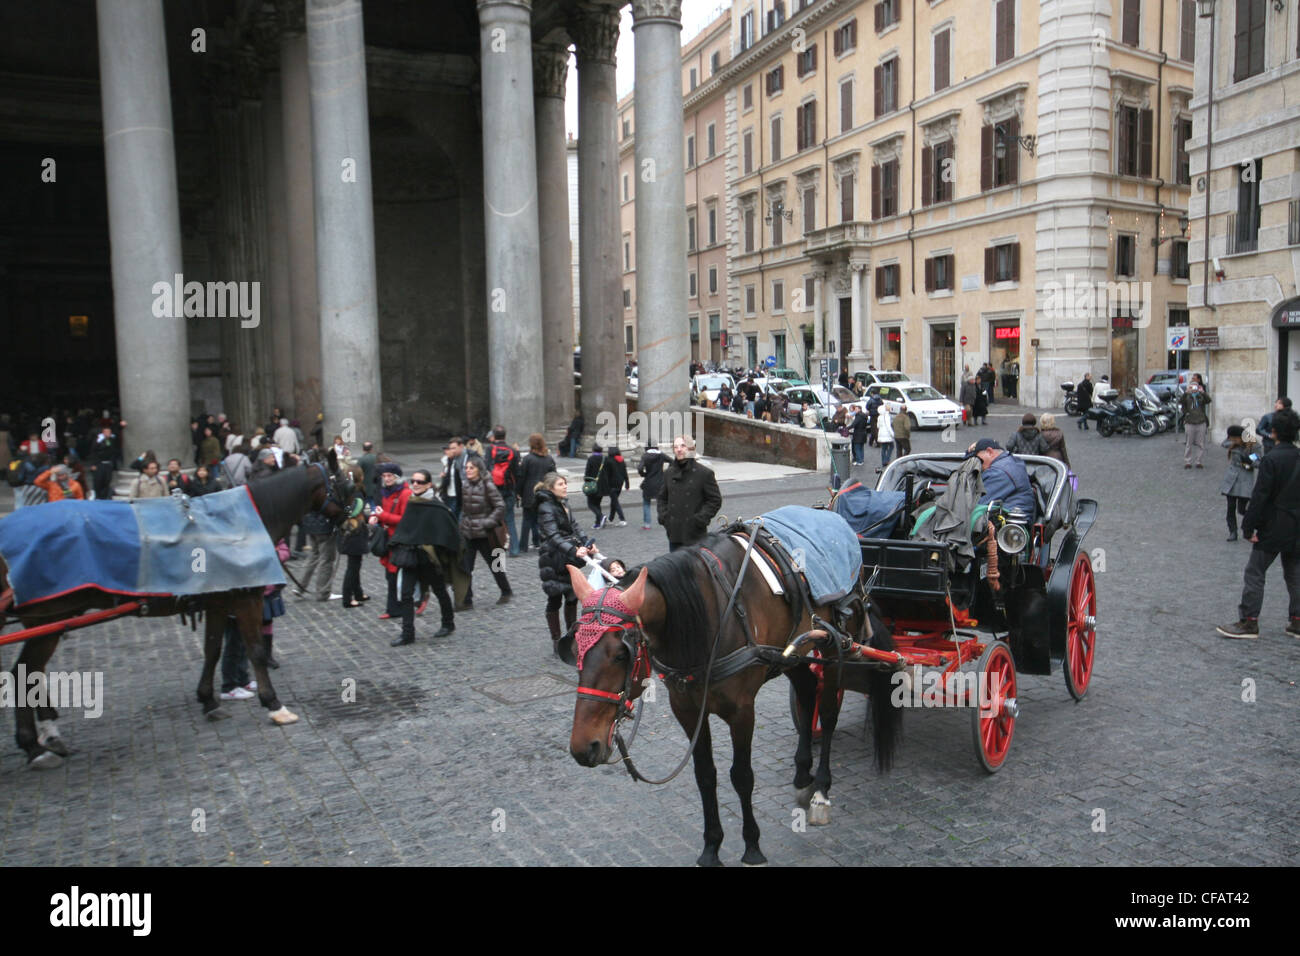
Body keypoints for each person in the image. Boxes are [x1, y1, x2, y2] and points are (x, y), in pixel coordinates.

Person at [1218, 408, 1300, 639]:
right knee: (1295, 574)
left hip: (1273, 525)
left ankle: (1249, 621)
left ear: (1273, 432)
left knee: (1255, 572)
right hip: (1297, 526)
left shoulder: (1272, 459)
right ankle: (1297, 620)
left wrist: (1248, 528)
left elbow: (1260, 497)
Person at [387, 468, 457, 645]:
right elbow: (406, 528)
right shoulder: (412, 502)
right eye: (413, 481)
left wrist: (436, 549)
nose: (415, 485)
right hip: (410, 555)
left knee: (440, 590)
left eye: (419, 482)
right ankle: (407, 633)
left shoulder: (435, 505)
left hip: (429, 558)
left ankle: (448, 623)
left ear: (428, 484)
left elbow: (447, 531)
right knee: (406, 594)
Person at [536, 472, 595, 654]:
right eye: (561, 484)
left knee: (571, 596)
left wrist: (587, 542)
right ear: (551, 488)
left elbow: (574, 526)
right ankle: (556, 639)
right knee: (555, 598)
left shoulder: (564, 503)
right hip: (553, 558)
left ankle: (571, 636)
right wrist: (573, 550)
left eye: (565, 483)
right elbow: (552, 536)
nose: (565, 486)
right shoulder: (546, 507)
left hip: (568, 556)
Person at [458, 457, 512, 606]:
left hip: (486, 534)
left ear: (479, 470)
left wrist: (487, 522)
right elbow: (464, 508)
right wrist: (462, 525)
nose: (468, 470)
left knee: (496, 565)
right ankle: (466, 599)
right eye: (467, 467)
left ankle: (506, 591)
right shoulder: (465, 485)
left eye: (471, 468)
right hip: (468, 533)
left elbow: (500, 506)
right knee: (465, 567)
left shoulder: (488, 485)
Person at [658, 435, 722, 551]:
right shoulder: (668, 473)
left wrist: (700, 519)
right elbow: (662, 498)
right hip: (674, 534)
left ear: (691, 448)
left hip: (695, 534)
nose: (679, 449)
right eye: (676, 447)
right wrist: (665, 517)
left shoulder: (704, 473)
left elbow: (715, 500)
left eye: (683, 446)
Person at [371, 463, 411, 621]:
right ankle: (393, 608)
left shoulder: (405, 493)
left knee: (396, 575)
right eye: (384, 476)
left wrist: (383, 517)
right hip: (390, 539)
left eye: (390, 476)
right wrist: (375, 516)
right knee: (390, 575)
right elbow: (383, 512)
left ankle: (402, 605)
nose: (387, 479)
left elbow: (405, 520)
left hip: (400, 540)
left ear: (396, 477)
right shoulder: (385, 493)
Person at [295, 483, 341, 601]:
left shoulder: (310, 486)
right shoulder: (327, 489)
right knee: (326, 559)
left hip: (311, 525)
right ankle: (323, 592)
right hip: (324, 527)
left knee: (313, 556)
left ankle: (300, 586)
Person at [967, 438, 1036, 517]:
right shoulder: (1010, 462)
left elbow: (976, 504)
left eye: (976, 458)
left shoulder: (998, 472)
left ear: (989, 452)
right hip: (1016, 518)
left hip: (1009, 523)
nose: (976, 463)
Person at [517, 433, 556, 553]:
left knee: (527, 520)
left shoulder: (528, 459)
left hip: (529, 493)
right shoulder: (549, 458)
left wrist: (518, 492)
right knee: (542, 519)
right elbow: (553, 476)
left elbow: (521, 477)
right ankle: (540, 542)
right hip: (544, 493)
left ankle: (523, 546)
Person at [486, 426, 521, 557]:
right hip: (509, 489)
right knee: (510, 519)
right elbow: (517, 473)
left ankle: (496, 548)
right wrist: (517, 491)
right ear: (505, 436)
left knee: (495, 519)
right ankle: (515, 549)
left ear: (494, 436)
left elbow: (486, 468)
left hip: (494, 490)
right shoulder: (513, 451)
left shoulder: (490, 449)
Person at [1221, 425, 1260, 542]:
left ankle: (1255, 525)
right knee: (1230, 507)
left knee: (1242, 509)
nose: (1232, 440)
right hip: (1232, 478)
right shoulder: (1232, 443)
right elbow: (1224, 443)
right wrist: (1236, 445)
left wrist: (1248, 458)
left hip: (1245, 478)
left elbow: (1259, 461)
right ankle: (1233, 531)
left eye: (1234, 438)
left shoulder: (1254, 445)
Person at [337, 495, 372, 608]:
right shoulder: (357, 525)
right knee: (352, 570)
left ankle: (358, 593)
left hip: (351, 546)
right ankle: (347, 598)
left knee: (354, 569)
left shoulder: (349, 521)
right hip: (354, 546)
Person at [1181, 379, 1212, 469]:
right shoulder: (1187, 396)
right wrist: (1186, 392)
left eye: (1196, 386)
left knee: (1200, 443)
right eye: (1192, 386)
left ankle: (1199, 461)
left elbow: (1209, 400)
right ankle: (1188, 461)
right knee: (1189, 443)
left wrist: (1203, 392)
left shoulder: (1200, 396)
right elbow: (1181, 402)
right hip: (1189, 421)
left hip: (1201, 421)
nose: (1194, 388)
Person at [637, 441, 666, 530]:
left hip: (649, 482)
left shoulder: (645, 456)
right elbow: (673, 461)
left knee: (646, 503)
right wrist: (665, 473)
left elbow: (640, 468)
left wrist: (644, 474)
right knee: (660, 502)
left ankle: (647, 524)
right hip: (660, 482)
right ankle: (663, 520)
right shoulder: (661, 455)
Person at [439, 437, 467, 520]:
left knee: (454, 515)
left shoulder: (458, 461)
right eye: (446, 450)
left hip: (456, 493)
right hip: (448, 493)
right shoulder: (447, 461)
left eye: (449, 449)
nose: (446, 452)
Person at [603, 444, 630, 527]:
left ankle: (622, 519)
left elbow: (605, 474)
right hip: (620, 484)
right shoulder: (621, 460)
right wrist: (627, 483)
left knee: (615, 502)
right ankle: (611, 519)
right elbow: (625, 472)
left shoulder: (608, 460)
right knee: (614, 501)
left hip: (611, 484)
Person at [583, 444, 607, 528]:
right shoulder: (604, 459)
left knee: (591, 504)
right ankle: (598, 523)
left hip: (592, 484)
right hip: (602, 485)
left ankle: (601, 516)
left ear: (593, 450)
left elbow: (587, 472)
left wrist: (586, 480)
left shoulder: (591, 459)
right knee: (597, 504)